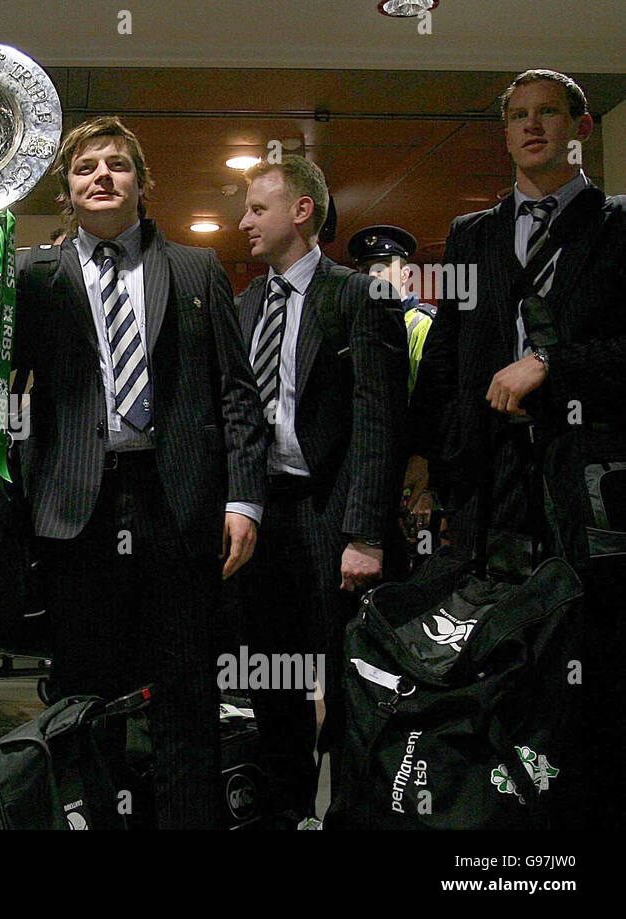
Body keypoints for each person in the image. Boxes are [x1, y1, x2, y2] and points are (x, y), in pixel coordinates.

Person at [10, 116, 269, 829]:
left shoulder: (195, 268)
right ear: (66, 189)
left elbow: (236, 393)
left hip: (176, 505)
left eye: (118, 165)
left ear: (142, 182)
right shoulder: (33, 274)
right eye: (87, 167)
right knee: (83, 703)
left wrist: (245, 498)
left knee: (186, 697)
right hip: (75, 510)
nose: (103, 176)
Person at [411, 69, 626, 828]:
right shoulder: (472, 234)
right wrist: (424, 464)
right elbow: (445, 361)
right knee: (495, 669)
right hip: (485, 489)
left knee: (586, 670)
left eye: (548, 114)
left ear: (581, 128)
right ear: (505, 133)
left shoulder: (619, 226)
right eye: (518, 117)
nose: (532, 127)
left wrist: (551, 365)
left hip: (586, 489)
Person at [236, 155, 407, 826]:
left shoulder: (358, 295)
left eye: (257, 208)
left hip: (334, 515)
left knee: (344, 681)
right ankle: (285, 811)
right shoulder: (246, 300)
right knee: (270, 677)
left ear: (300, 211)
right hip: (264, 516)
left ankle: (352, 815)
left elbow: (380, 423)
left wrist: (365, 533)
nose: (243, 221)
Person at [349, 224, 438, 541]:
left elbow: (434, 405)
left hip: (408, 463)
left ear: (405, 275)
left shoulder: (420, 325)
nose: (374, 277)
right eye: (365, 270)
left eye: (385, 268)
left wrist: (428, 475)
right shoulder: (354, 326)